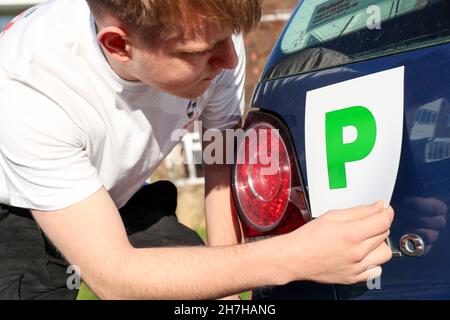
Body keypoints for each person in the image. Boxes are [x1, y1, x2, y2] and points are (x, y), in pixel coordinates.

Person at [0, 0, 394, 300]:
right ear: (120, 45)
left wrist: (230, 294)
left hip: (115, 192)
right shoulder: (27, 89)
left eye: (229, 38)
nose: (231, 60)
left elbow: (219, 158)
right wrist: (293, 256)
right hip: (14, 211)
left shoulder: (210, 30)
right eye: (198, 53)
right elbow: (115, 275)